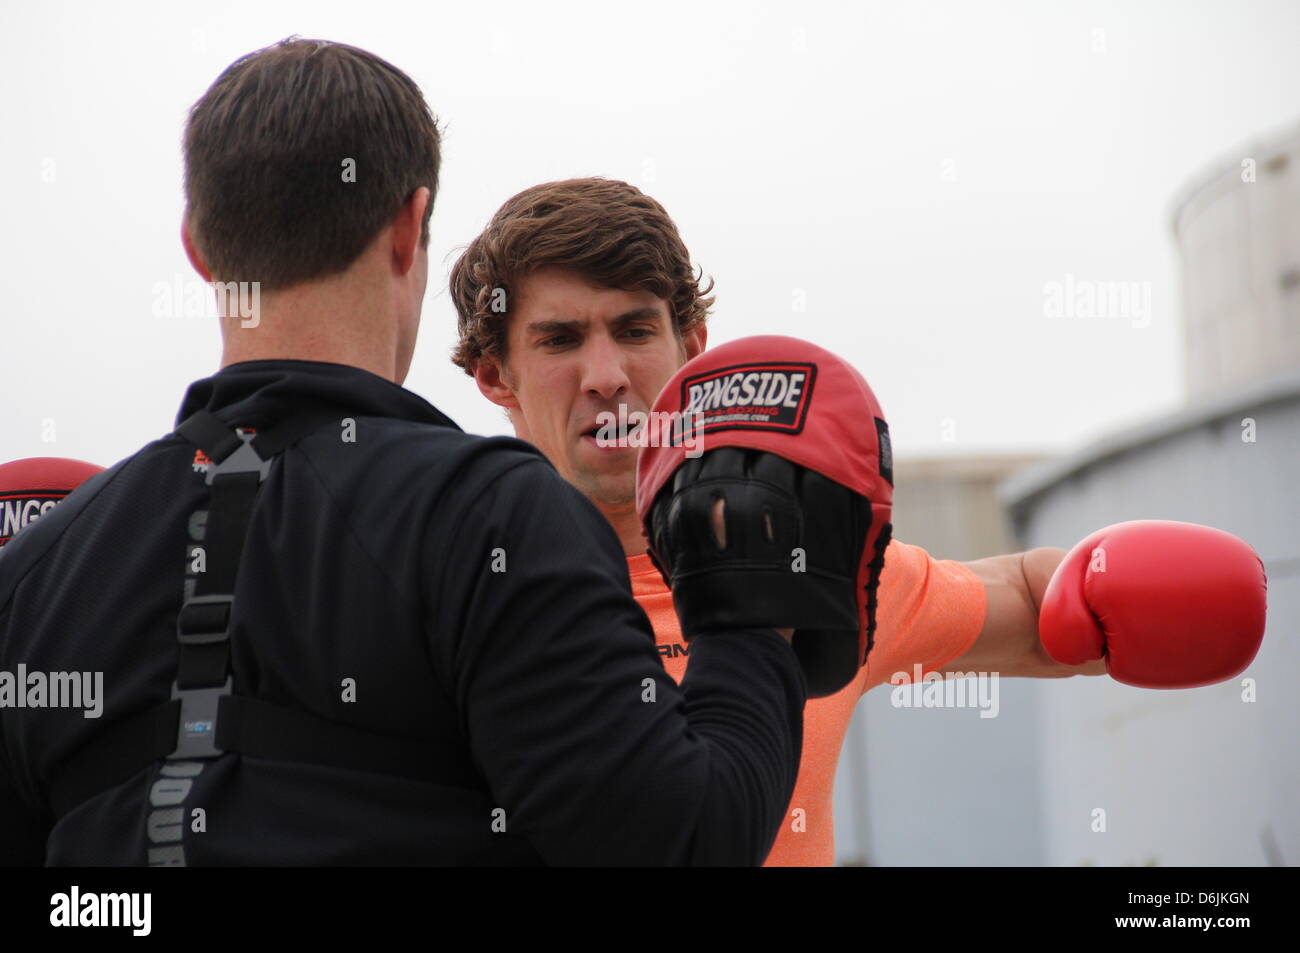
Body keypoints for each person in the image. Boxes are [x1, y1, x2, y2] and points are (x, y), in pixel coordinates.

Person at [0, 39, 847, 867]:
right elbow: (677, 841)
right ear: (410, 228)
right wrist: (753, 614)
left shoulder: (35, 574)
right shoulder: (493, 517)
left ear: (197, 247)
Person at [447, 177, 1268, 866]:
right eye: (559, 340)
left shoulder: (806, 568)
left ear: (693, 346)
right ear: (496, 376)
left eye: (634, 330)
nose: (606, 375)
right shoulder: (450, 586)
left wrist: (1114, 589)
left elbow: (1028, 606)